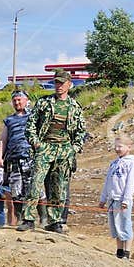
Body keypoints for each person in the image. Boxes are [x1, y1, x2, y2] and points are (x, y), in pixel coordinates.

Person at [16, 68, 88, 233]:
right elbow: (31, 125)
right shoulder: (44, 102)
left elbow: (81, 131)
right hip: (45, 147)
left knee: (58, 187)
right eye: (56, 82)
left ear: (69, 85)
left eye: (62, 83)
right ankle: (28, 219)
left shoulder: (74, 107)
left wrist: (74, 148)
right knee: (35, 183)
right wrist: (36, 143)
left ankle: (55, 220)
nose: (58, 86)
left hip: (64, 149)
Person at [0, 90, 33, 225]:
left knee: (33, 190)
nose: (17, 102)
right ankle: (21, 219)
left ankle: (37, 219)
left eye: (19, 99)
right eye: (14, 100)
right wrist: (0, 157)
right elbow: (3, 140)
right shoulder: (9, 120)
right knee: (15, 192)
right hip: (13, 160)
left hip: (30, 158)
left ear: (26, 100)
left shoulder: (33, 116)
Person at [99, 136, 134, 259]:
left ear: (129, 147)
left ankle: (127, 252)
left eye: (120, 146)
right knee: (115, 226)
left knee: (124, 225)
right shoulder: (114, 163)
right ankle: (119, 251)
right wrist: (103, 198)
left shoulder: (131, 163)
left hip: (122, 200)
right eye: (116, 146)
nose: (117, 149)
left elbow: (131, 183)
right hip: (112, 199)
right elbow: (108, 182)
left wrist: (126, 200)